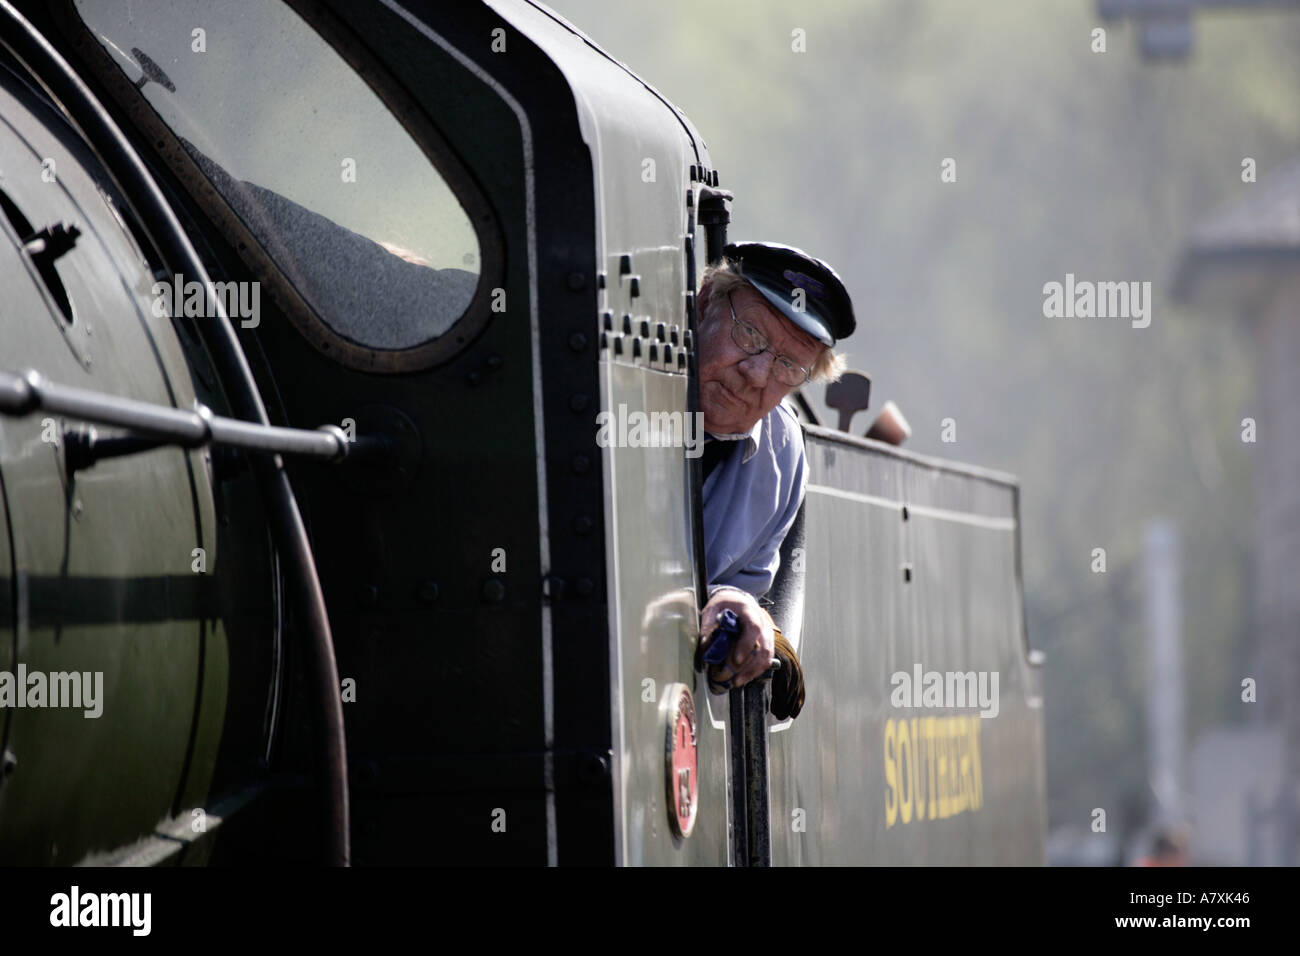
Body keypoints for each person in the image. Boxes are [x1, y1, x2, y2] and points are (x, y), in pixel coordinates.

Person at [694, 242, 856, 715]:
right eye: (748, 334)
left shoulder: (784, 454)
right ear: (705, 302)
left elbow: (741, 585)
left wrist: (735, 608)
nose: (756, 373)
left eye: (788, 367)